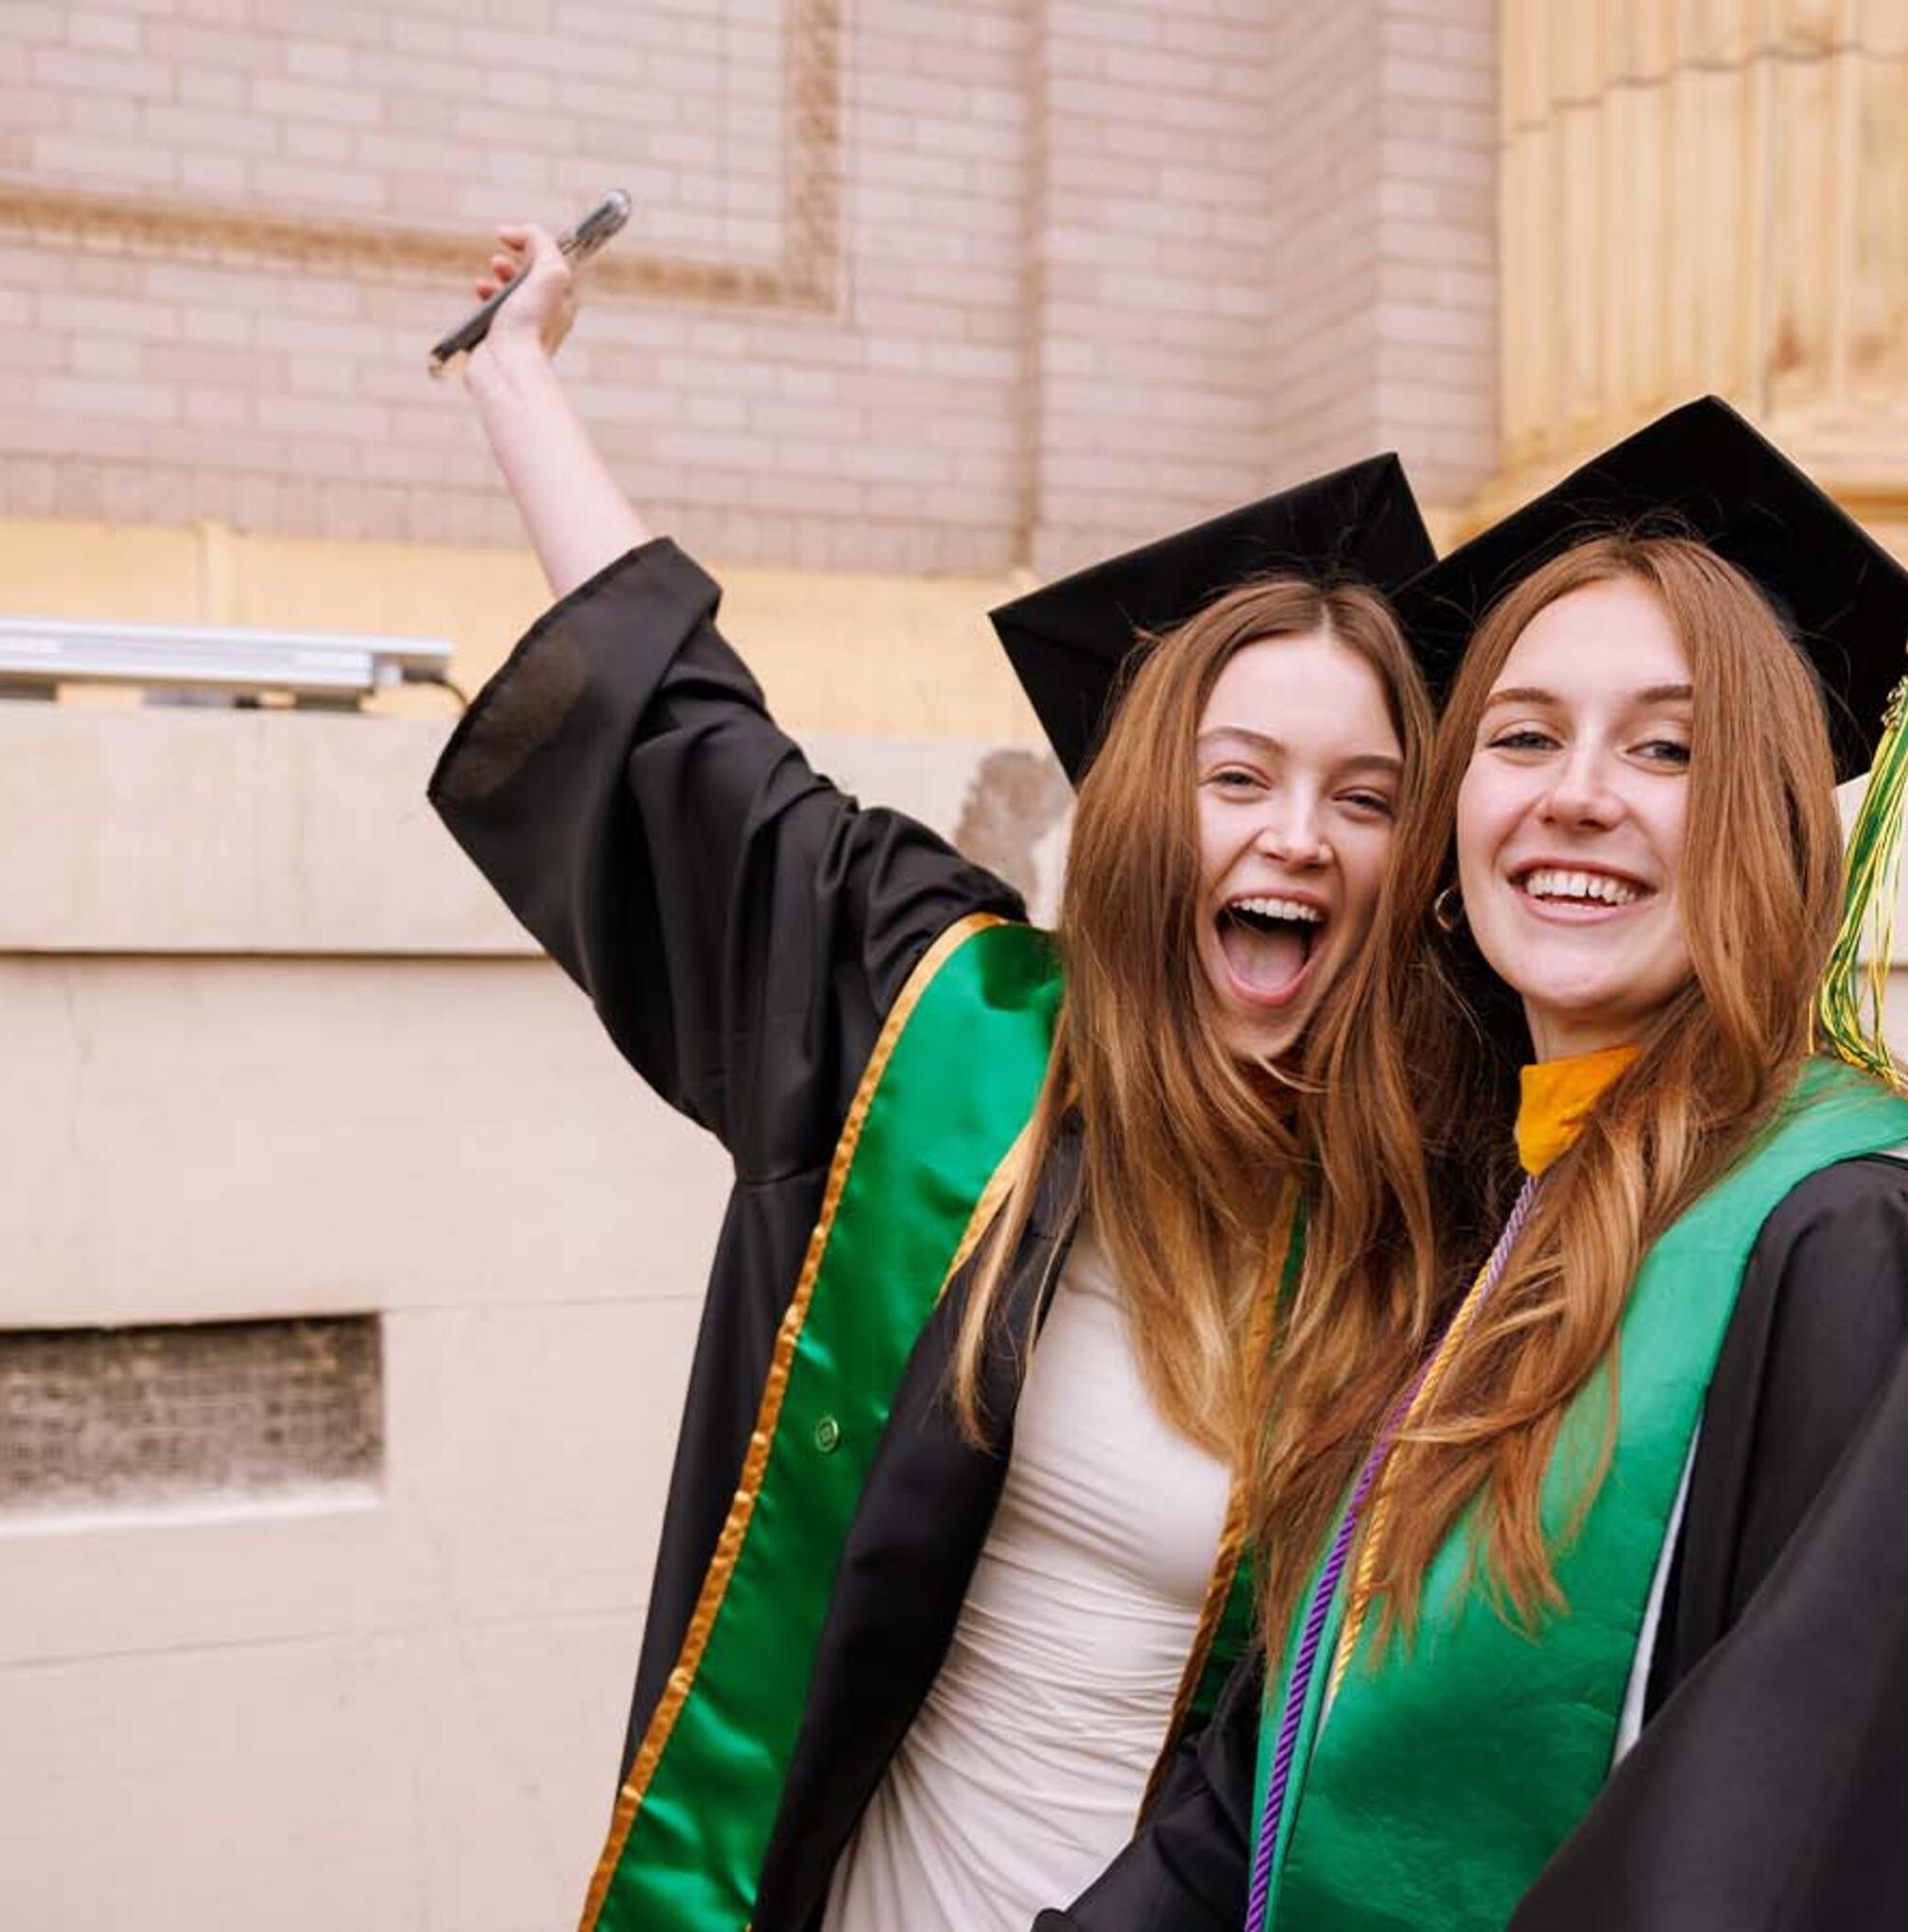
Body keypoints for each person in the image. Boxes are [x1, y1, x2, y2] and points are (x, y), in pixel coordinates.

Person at [433, 226, 1437, 1932]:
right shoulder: (956, 1034)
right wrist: (518, 376)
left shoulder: (1440, 1206)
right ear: (1137, 814)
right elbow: (698, 746)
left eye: (1364, 796)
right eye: (1240, 774)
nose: (1296, 835)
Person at [1052, 400, 1908, 1932]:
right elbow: (1287, 1753)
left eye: (1669, 747)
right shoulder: (1490, 1216)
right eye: (1522, 735)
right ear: (1454, 827)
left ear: (1770, 828)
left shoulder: (1853, 1253)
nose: (1579, 792)